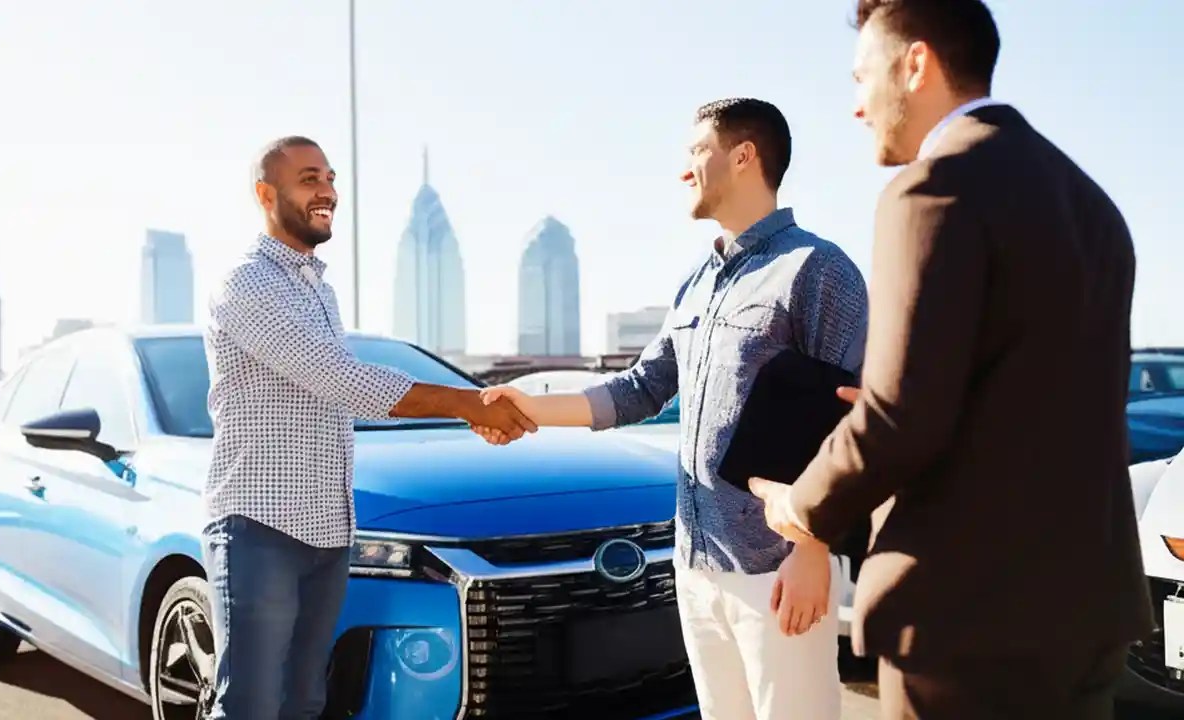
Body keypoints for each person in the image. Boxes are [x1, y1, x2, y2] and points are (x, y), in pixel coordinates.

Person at [751, 2, 1155, 718]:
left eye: (861, 77)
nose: (855, 107)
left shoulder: (931, 190)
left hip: (969, 621)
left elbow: (903, 420)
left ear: (916, 64)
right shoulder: (1093, 205)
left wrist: (800, 507)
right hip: (1089, 610)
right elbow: (1029, 398)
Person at [481, 99, 868, 720]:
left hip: (778, 569)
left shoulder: (817, 269)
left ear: (743, 156)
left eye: (696, 152)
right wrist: (532, 407)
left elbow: (851, 417)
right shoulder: (697, 280)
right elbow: (640, 389)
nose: (685, 170)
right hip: (696, 563)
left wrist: (813, 549)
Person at [202, 135, 536, 718]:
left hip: (329, 532)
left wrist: (473, 407)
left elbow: (340, 389)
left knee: (305, 699)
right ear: (265, 193)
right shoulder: (246, 282)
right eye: (309, 179)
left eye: (331, 177)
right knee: (250, 704)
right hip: (260, 527)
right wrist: (468, 403)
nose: (328, 190)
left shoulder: (320, 290)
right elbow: (339, 378)